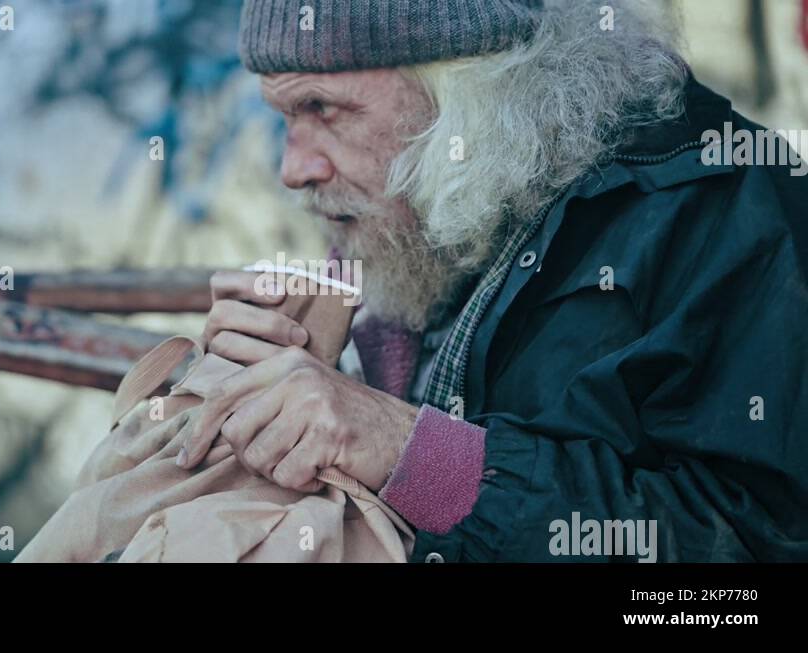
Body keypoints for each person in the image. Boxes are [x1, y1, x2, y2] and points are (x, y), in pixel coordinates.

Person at [177, 0, 808, 562]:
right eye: (285, 115)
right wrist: (290, 392)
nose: (293, 167)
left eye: (321, 106)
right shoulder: (428, 219)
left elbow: (743, 570)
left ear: (469, 89)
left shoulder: (724, 213)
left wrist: (416, 456)